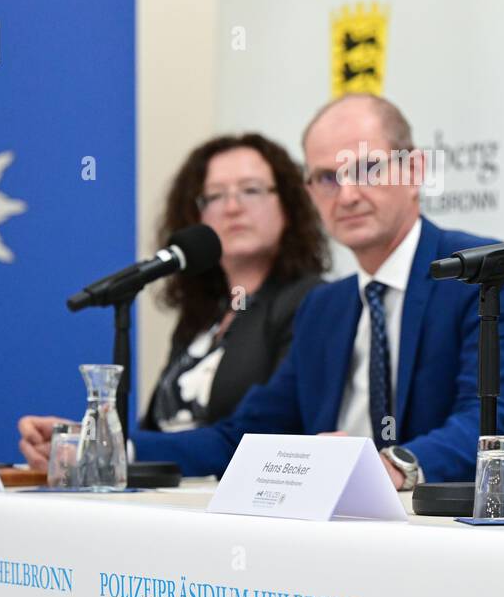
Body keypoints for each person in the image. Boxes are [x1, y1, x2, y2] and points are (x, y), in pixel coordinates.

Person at [129, 93, 504, 488]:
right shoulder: (324, 307)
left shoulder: (485, 274)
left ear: (415, 171)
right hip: (336, 530)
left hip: (440, 533)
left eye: (367, 168)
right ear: (309, 192)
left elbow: (500, 421)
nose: (347, 195)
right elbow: (241, 438)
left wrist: (391, 465)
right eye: (327, 178)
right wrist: (107, 446)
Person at [18, 133, 327, 469]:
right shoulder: (202, 319)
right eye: (214, 196)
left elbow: (257, 437)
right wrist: (83, 441)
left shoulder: (310, 303)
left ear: (289, 205)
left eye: (250, 190)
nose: (233, 207)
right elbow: (156, 428)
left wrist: (116, 447)